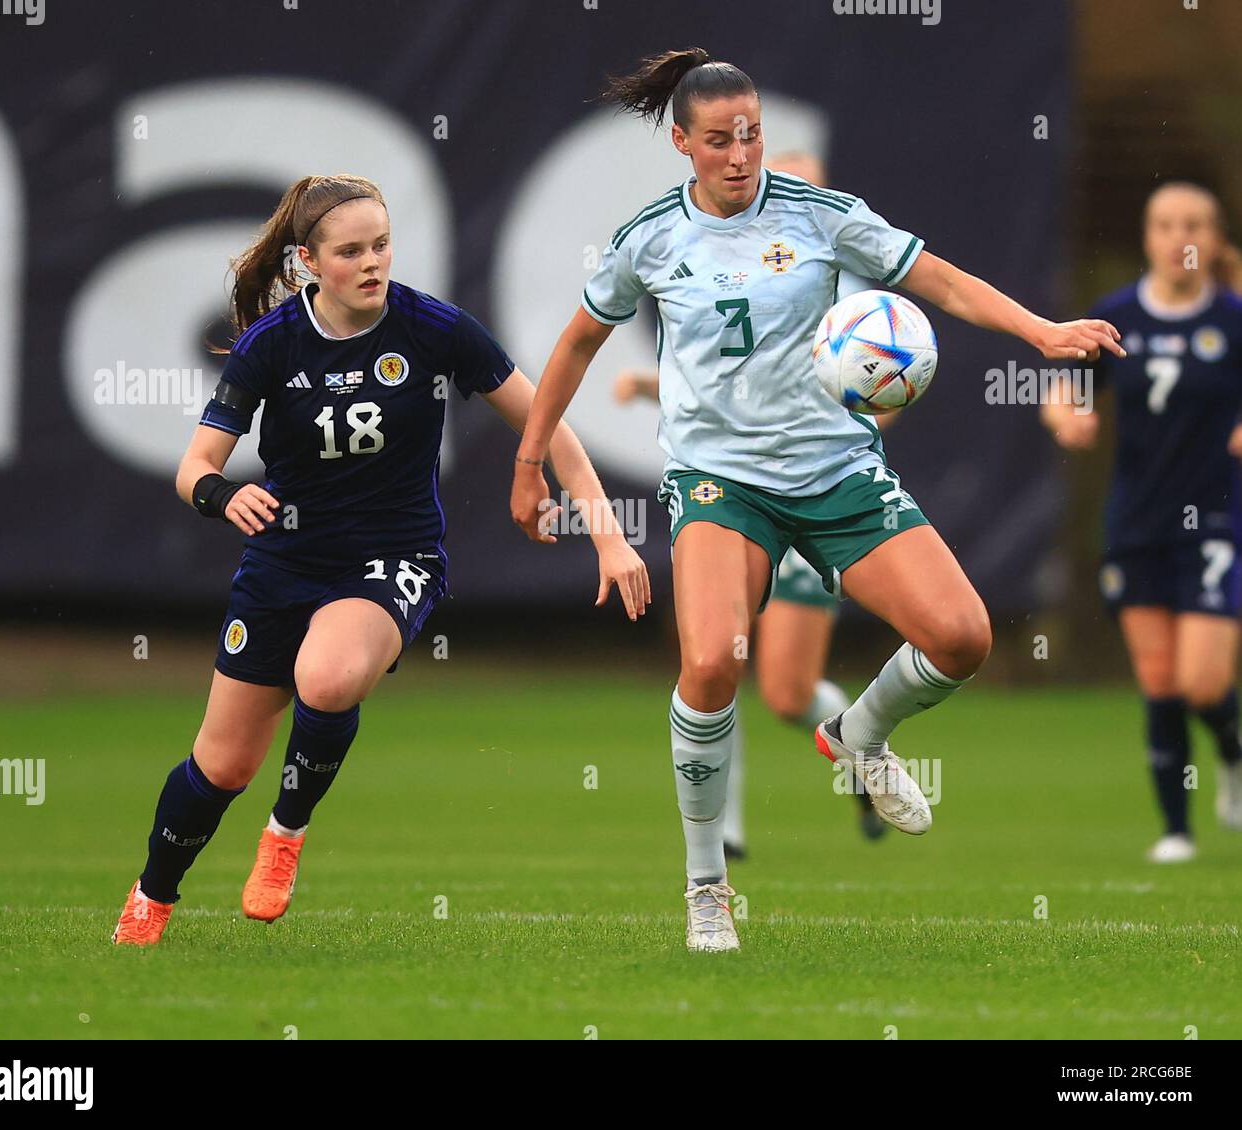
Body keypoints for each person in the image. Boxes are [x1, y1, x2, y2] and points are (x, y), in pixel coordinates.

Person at [510, 48, 1123, 952]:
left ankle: (861, 736)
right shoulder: (649, 236)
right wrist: (531, 461)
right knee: (714, 662)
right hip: (720, 479)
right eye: (718, 140)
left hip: (836, 470)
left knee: (963, 636)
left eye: (751, 135)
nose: (739, 154)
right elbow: (571, 348)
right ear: (681, 142)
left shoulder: (824, 216)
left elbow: (939, 279)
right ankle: (707, 886)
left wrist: (1042, 330)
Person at [112, 173, 648, 945]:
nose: (373, 263)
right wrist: (221, 497)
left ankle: (285, 833)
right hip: (284, 563)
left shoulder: (434, 328)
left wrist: (606, 533)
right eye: (351, 251)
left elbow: (549, 423)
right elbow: (196, 463)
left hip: (394, 556)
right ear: (307, 262)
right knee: (222, 765)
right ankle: (151, 899)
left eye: (382, 245)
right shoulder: (271, 345)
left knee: (326, 678)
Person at [612, 153, 892, 853]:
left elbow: (883, 384)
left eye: (801, 180)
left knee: (789, 692)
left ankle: (860, 756)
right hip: (734, 489)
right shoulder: (712, 258)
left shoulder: (844, 276)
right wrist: (653, 386)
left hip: (821, 487)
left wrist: (852, 423)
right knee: (714, 658)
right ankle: (723, 837)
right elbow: (724, 371)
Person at [1042, 181, 1242, 863]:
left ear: (1213, 241)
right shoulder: (1117, 315)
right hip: (1137, 521)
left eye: (1193, 225)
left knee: (1204, 683)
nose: (1179, 237)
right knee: (1158, 679)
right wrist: (1067, 414)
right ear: (1148, 237)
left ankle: (1232, 750)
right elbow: (1064, 381)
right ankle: (1176, 831)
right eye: (1164, 224)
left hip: (1216, 520)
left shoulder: (1234, 319)